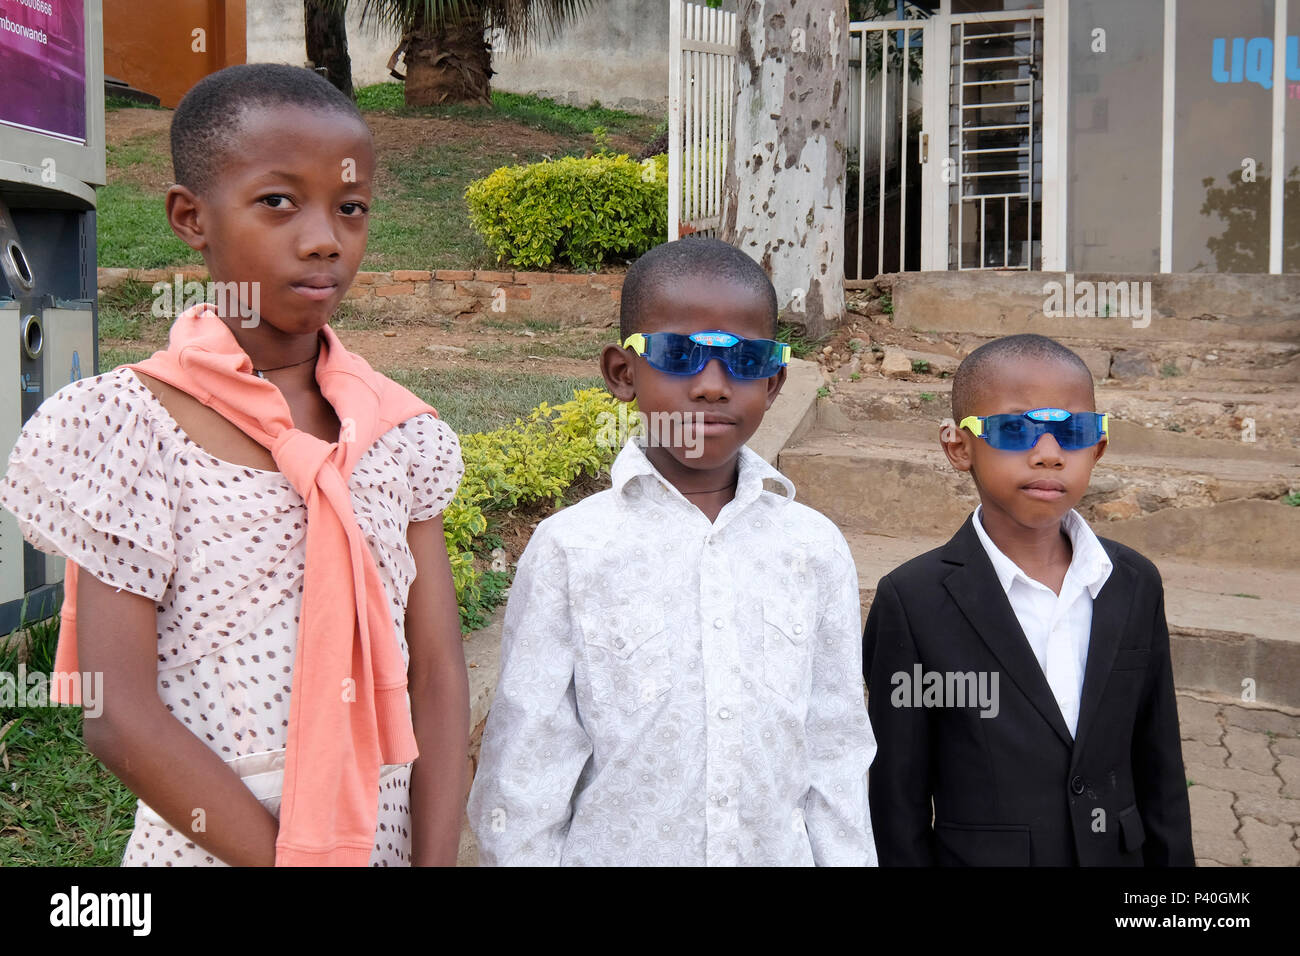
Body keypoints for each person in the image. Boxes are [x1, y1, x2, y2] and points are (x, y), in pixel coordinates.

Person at [0, 64, 470, 866]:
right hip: (218, 844)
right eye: (278, 202)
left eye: (350, 208)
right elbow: (117, 712)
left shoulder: (397, 433)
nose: (324, 236)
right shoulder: (131, 428)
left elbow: (437, 674)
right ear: (191, 217)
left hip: (381, 832)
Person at [467, 237, 877, 866]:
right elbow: (528, 762)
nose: (713, 386)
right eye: (679, 355)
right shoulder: (573, 549)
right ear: (622, 373)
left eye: (744, 360)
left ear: (773, 383)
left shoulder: (813, 548)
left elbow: (835, 744)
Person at [863, 334, 1195, 866]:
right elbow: (895, 798)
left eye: (1073, 431)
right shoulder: (913, 601)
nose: (1047, 454)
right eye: (1015, 429)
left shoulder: (1133, 583)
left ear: (1098, 448)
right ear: (959, 447)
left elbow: (1159, 763)